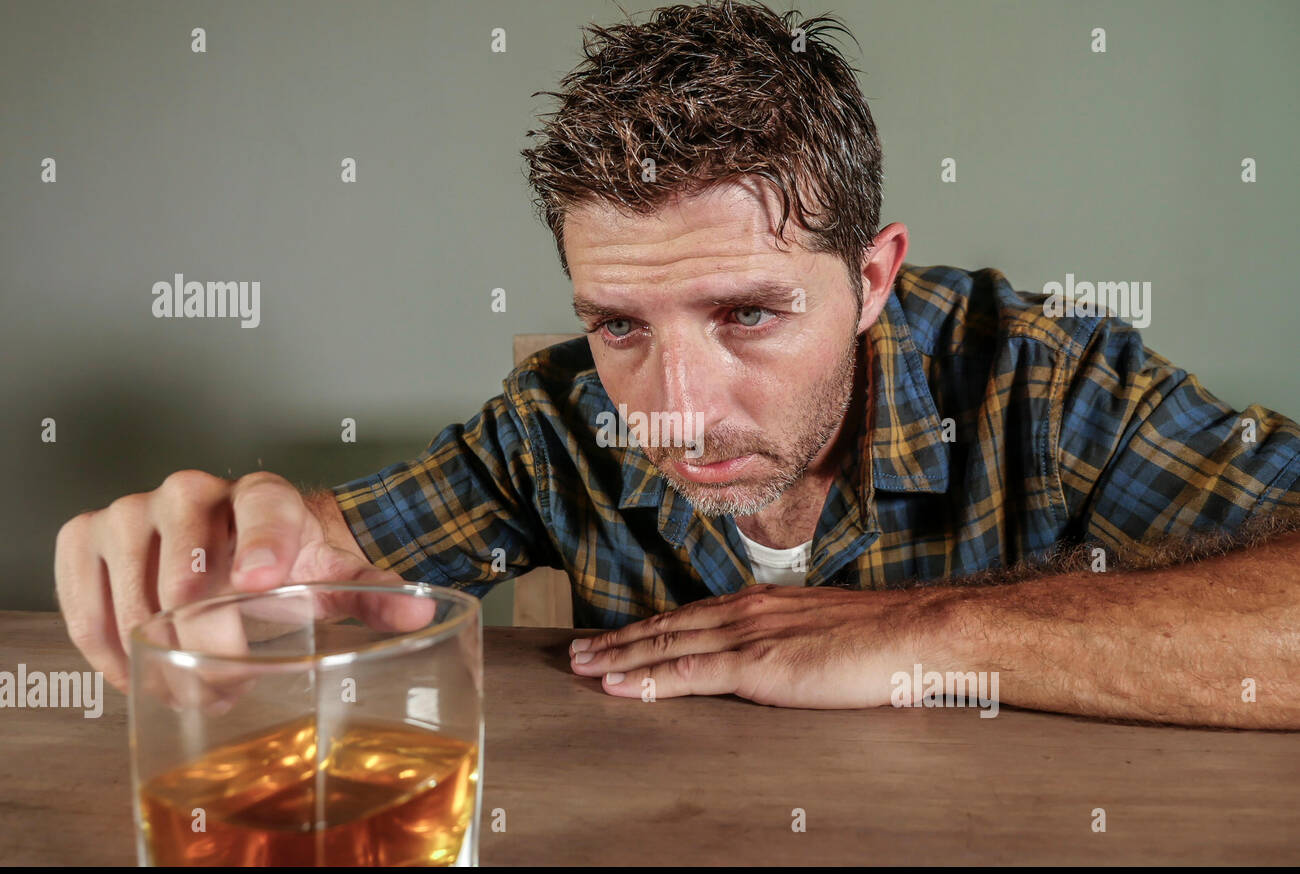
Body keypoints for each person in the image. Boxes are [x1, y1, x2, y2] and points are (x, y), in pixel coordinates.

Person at [54, 1, 1300, 726]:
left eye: (749, 314)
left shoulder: (1050, 383)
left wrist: (919, 633)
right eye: (620, 325)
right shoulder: (557, 426)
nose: (675, 410)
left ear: (870, 278)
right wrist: (247, 559)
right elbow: (331, 573)